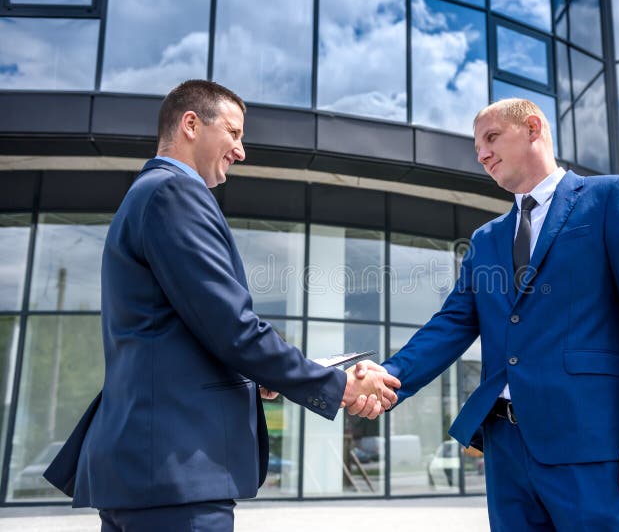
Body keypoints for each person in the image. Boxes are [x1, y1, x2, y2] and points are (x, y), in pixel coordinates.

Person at [43, 79, 400, 531]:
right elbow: (232, 327)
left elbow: (189, 331)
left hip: (150, 474)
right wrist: (336, 386)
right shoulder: (175, 193)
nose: (241, 150)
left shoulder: (149, 194)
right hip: (176, 472)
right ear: (191, 124)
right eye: (234, 133)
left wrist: (256, 376)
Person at [356, 98, 619, 530]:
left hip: (587, 439)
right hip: (506, 445)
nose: (483, 154)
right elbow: (452, 324)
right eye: (478, 148)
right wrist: (390, 375)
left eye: (491, 138)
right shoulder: (487, 238)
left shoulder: (611, 198)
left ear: (533, 128)